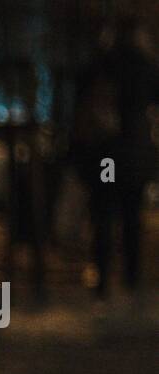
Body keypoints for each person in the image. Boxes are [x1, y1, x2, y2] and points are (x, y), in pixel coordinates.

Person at [71, 16, 159, 298]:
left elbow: (80, 98)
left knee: (104, 215)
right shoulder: (144, 66)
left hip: (106, 154)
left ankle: (103, 278)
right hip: (133, 154)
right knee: (132, 217)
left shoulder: (101, 64)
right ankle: (131, 279)